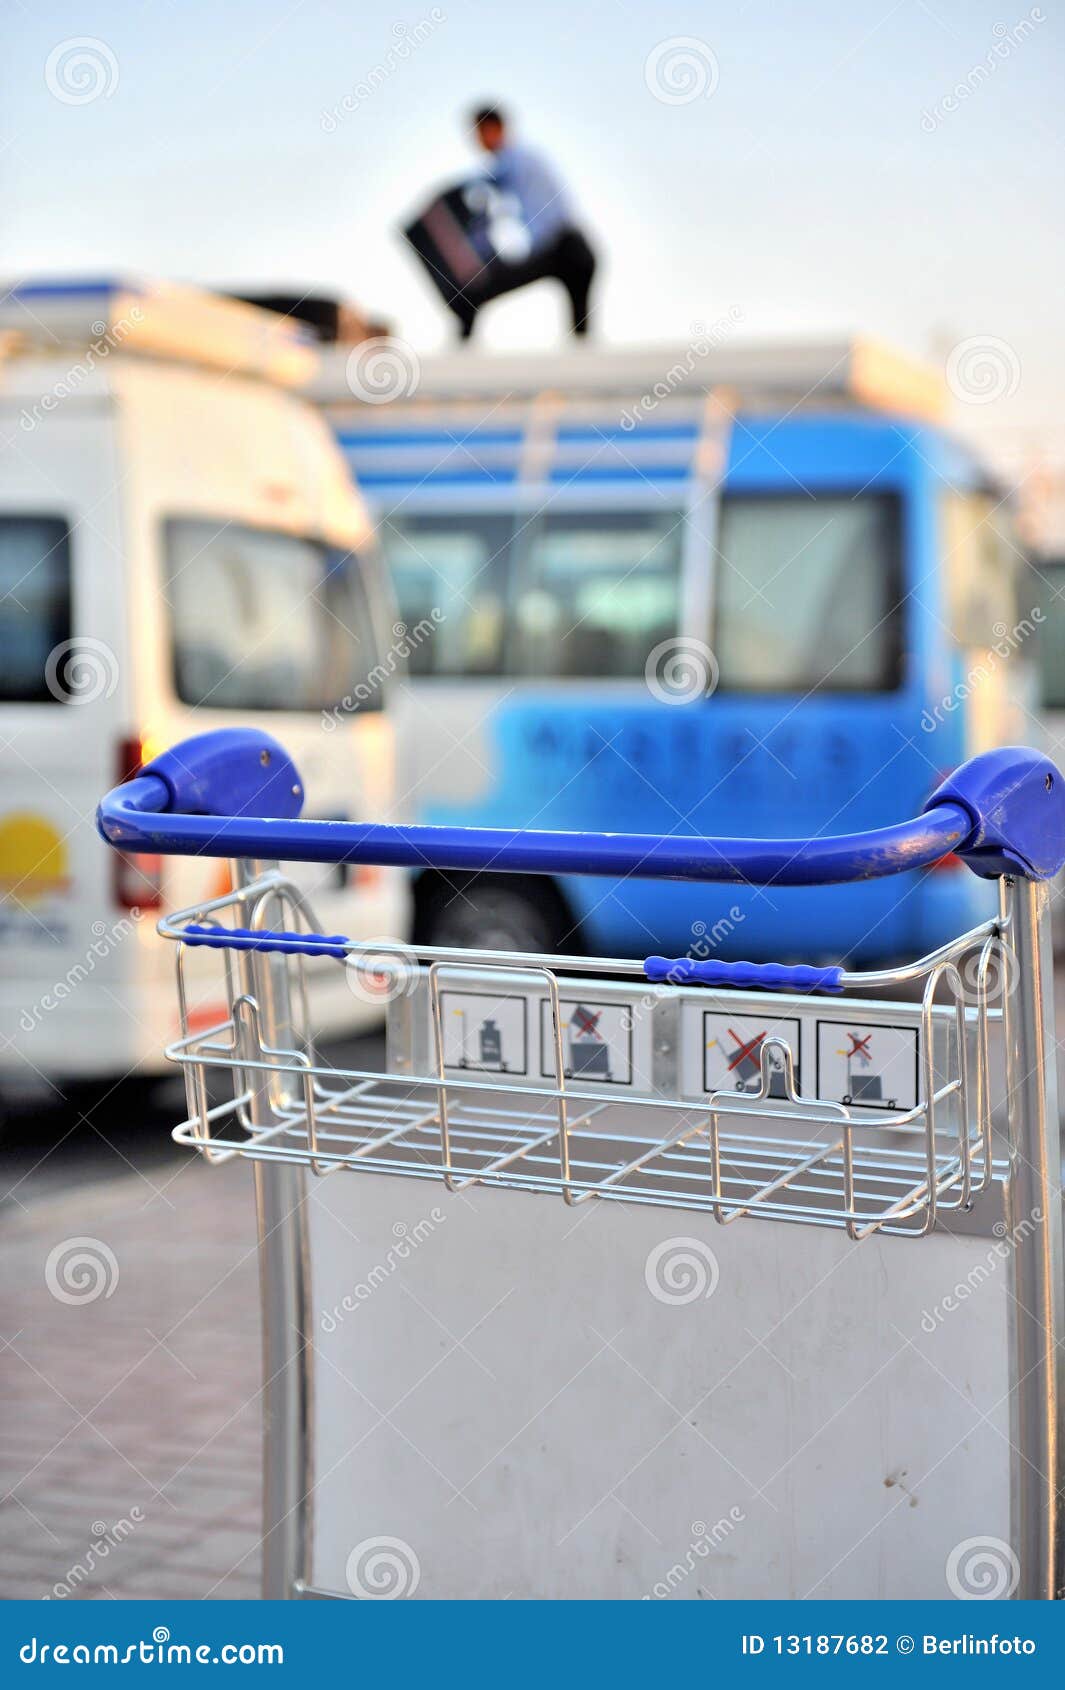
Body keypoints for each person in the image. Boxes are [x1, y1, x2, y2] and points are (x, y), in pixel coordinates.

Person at [452, 105, 597, 340]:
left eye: (479, 134)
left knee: (475, 291)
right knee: (580, 331)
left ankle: (460, 361)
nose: (478, 143)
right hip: (574, 249)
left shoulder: (514, 158)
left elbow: (481, 186)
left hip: (565, 249)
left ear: (494, 129)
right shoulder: (523, 157)